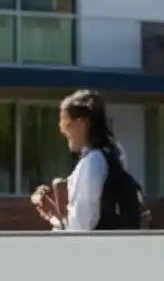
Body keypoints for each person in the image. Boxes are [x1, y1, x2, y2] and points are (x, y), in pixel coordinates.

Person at [31, 89, 144, 231]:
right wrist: (55, 214)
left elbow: (81, 227)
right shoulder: (114, 154)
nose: (63, 130)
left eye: (67, 124)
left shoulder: (92, 163)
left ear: (82, 123)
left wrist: (58, 221)